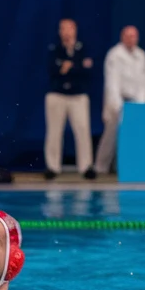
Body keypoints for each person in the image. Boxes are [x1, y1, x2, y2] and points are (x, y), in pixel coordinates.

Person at [94, 26, 145, 175]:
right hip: (116, 101)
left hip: (134, 102)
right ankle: (101, 167)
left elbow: (144, 81)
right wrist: (119, 106)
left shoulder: (141, 55)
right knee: (111, 135)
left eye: (134, 36)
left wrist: (140, 105)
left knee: (132, 136)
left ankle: (124, 168)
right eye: (128, 36)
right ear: (122, 37)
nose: (132, 39)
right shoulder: (114, 55)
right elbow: (112, 83)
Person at [44, 18, 96, 180]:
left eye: (69, 28)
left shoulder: (83, 48)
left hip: (78, 96)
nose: (66, 32)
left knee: (82, 130)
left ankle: (86, 166)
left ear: (75, 30)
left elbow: (87, 71)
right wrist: (72, 67)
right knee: (54, 132)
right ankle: (52, 167)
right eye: (62, 29)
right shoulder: (54, 48)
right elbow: (52, 70)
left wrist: (69, 67)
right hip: (57, 95)